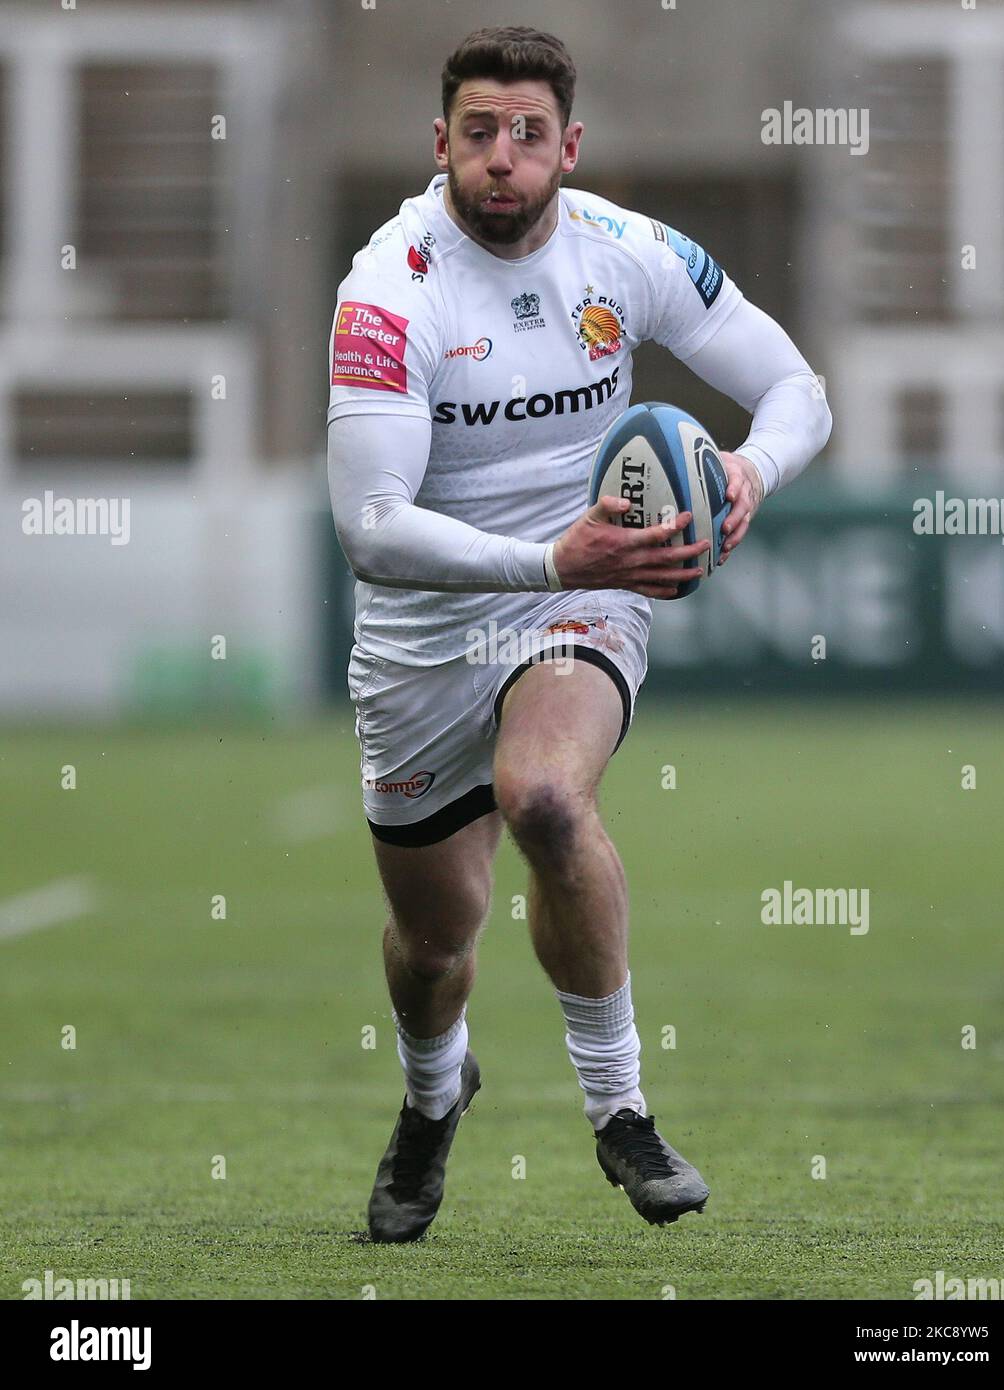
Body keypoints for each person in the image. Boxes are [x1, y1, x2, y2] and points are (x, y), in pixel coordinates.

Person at [327, 25, 832, 1242]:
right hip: (428, 629)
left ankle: (622, 1113)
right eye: (479, 133)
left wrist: (749, 473)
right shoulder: (387, 289)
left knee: (548, 800)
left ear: (569, 144)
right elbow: (372, 529)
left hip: (582, 598)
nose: (503, 158)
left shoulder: (627, 251)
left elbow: (796, 388)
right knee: (432, 945)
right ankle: (432, 1095)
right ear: (440, 141)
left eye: (529, 134)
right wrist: (555, 550)